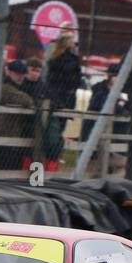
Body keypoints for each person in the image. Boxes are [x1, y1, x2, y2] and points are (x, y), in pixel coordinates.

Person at [43, 31, 83, 165]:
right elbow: (76, 80)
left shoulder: (54, 59)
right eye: (72, 40)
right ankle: (53, 156)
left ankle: (53, 156)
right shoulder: (70, 60)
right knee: (58, 129)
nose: (74, 43)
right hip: (65, 97)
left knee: (56, 128)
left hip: (58, 97)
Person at [0, 59, 37, 170]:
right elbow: (26, 100)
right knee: (4, 169)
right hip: (5, 136)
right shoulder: (5, 88)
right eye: (17, 73)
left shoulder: (19, 88)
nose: (20, 77)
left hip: (14, 136)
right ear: (9, 72)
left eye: (22, 74)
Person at [82, 61, 123, 143]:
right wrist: (120, 108)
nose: (117, 78)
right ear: (109, 76)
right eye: (115, 75)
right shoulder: (99, 89)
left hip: (105, 128)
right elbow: (103, 105)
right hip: (92, 127)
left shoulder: (116, 91)